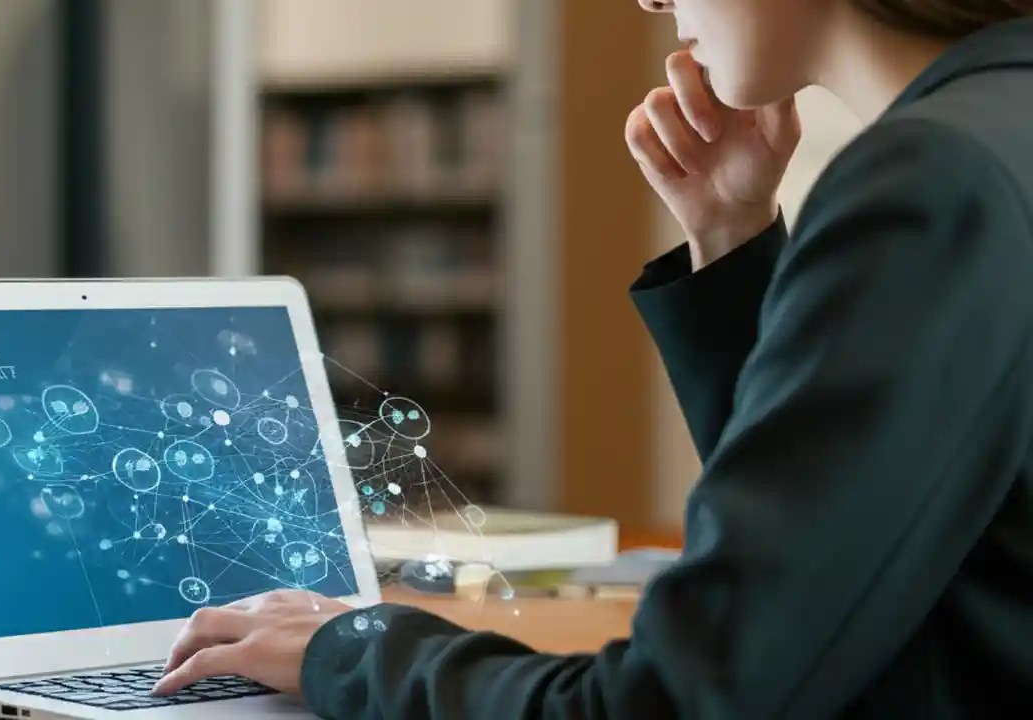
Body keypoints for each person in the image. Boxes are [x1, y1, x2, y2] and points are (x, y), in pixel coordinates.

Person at [153, 2, 1033, 717]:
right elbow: (847, 572)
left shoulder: (930, 178)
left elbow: (675, 701)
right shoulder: (995, 132)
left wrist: (353, 648)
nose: (651, 0)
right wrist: (730, 240)